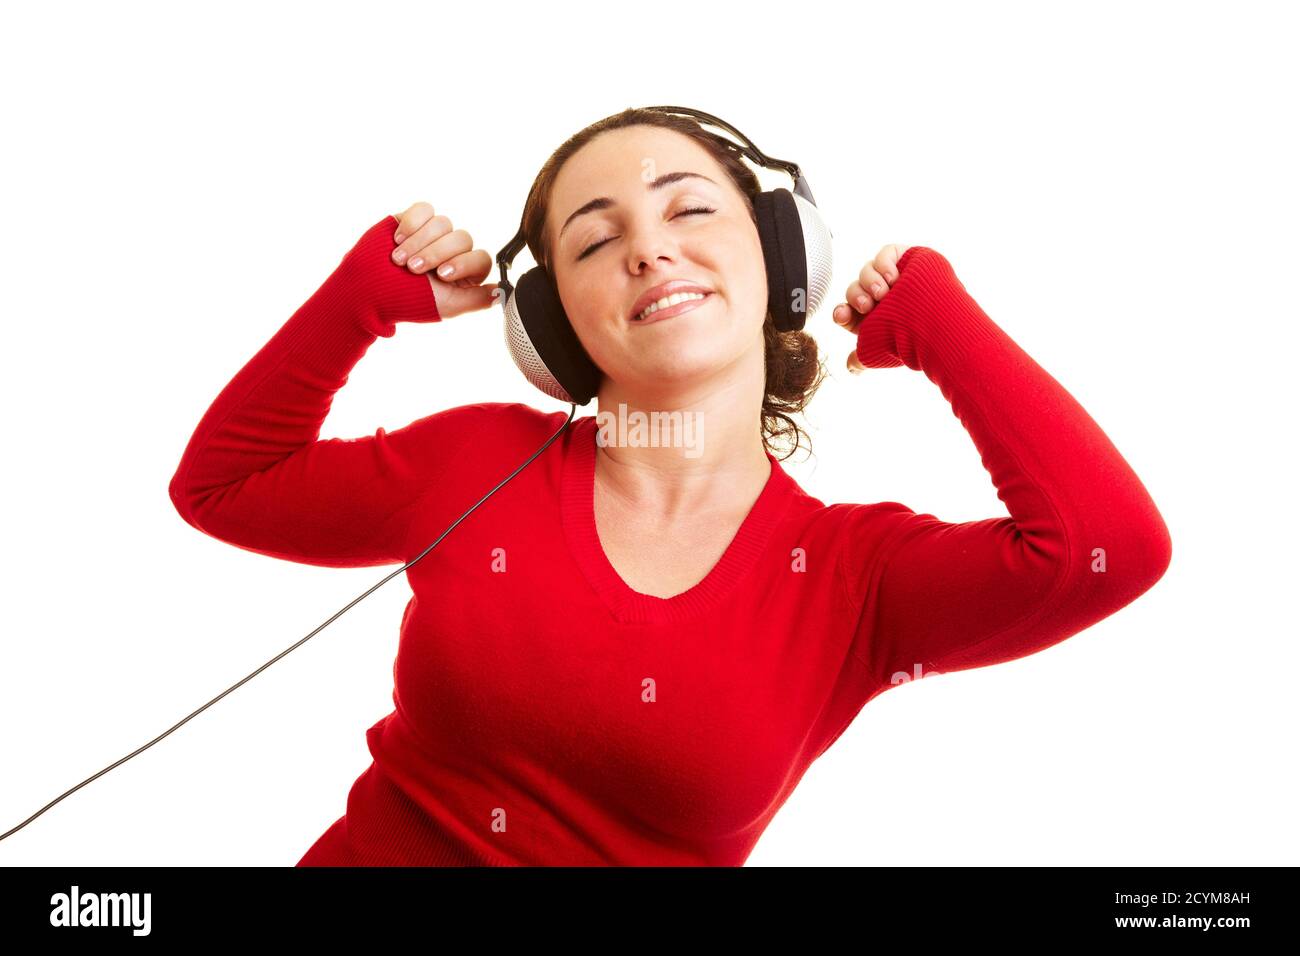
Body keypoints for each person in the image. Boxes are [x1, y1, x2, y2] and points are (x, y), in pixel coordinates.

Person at [168, 108, 1172, 866]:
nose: (648, 247)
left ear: (784, 255)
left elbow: (1107, 548)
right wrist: (358, 305)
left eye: (689, 207)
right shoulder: (471, 466)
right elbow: (221, 485)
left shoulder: (852, 580)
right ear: (553, 327)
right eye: (595, 242)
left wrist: (941, 323)